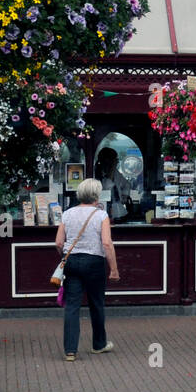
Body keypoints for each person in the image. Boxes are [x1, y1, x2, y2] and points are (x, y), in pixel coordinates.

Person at [55, 177, 120, 361]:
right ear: (96, 196)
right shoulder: (101, 215)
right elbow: (106, 243)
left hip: (72, 262)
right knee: (96, 304)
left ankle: (70, 350)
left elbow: (59, 242)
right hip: (94, 262)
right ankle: (99, 344)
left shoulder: (67, 214)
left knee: (72, 306)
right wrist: (113, 269)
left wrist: (64, 256)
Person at [96, 147, 130, 222]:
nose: (117, 162)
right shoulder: (97, 173)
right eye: (114, 160)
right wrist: (111, 169)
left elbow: (126, 184)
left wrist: (124, 195)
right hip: (103, 208)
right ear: (107, 160)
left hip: (118, 209)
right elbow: (106, 188)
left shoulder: (116, 173)